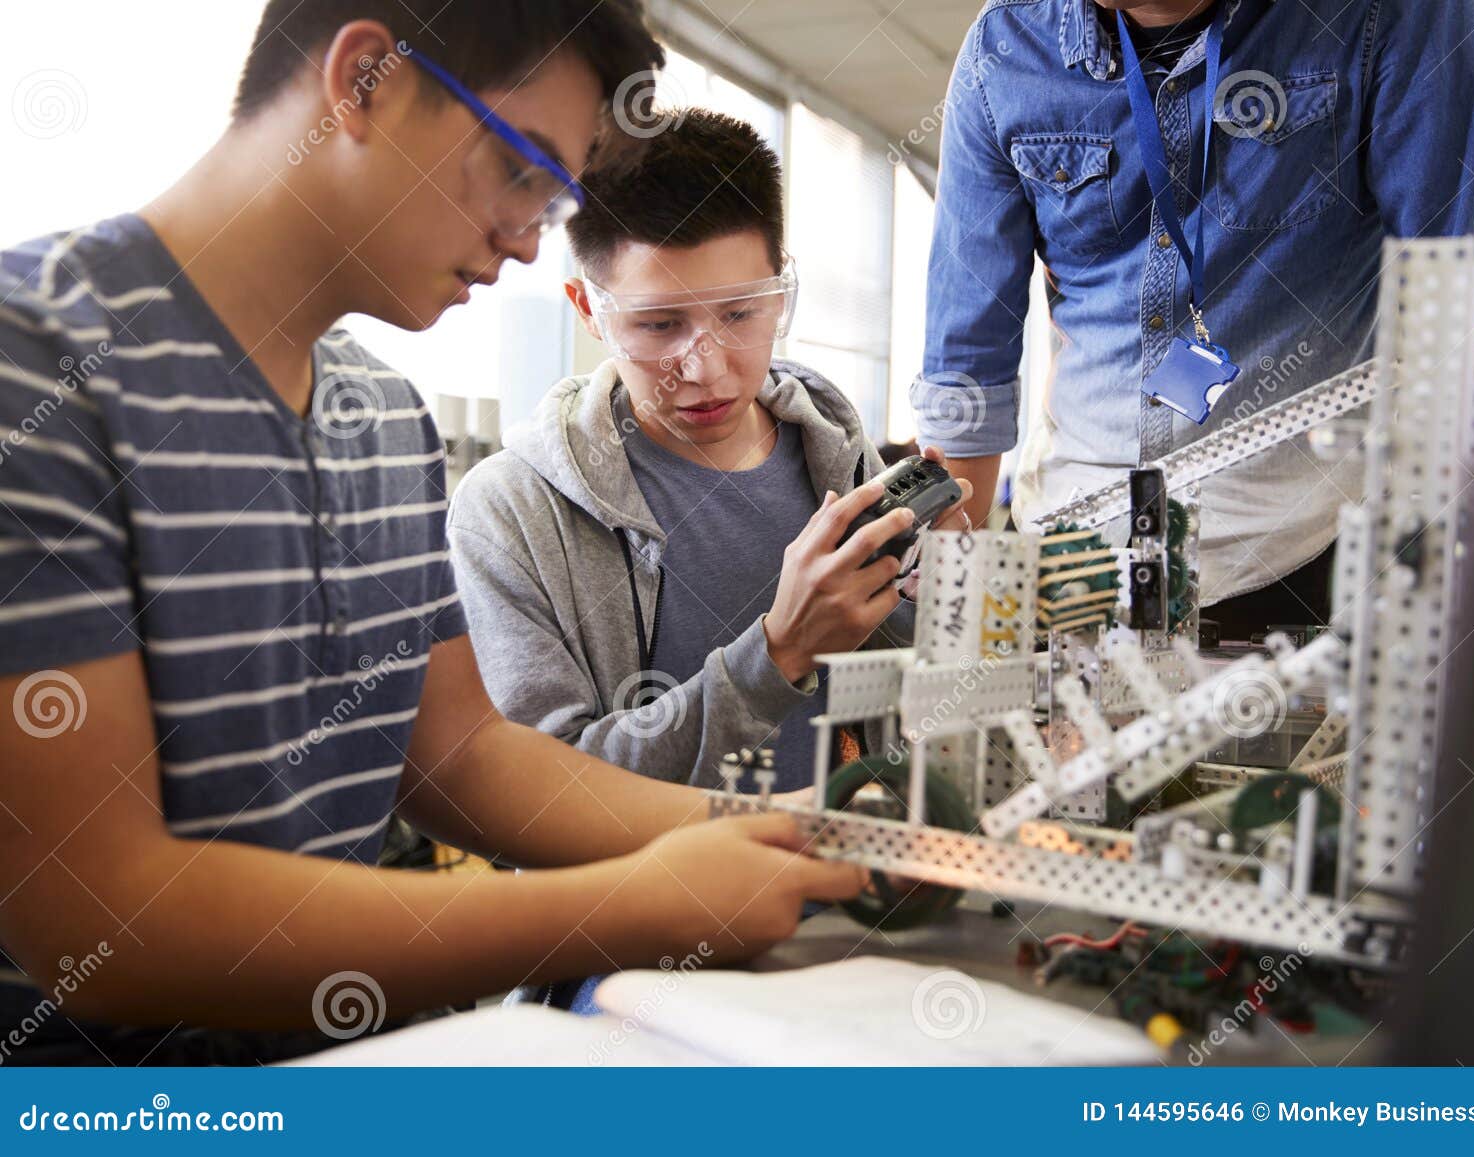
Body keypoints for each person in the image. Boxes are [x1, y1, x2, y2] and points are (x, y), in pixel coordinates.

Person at [0, 1, 865, 1066]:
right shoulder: (32, 363)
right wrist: (636, 904)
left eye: (555, 201)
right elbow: (101, 918)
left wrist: (782, 832)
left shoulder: (382, 418)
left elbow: (459, 755)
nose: (524, 234)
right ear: (363, 79)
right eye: (518, 170)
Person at [917, 0, 1474, 637]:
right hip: (1069, 568)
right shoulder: (1006, 44)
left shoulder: (1399, 14)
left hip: (1300, 563)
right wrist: (950, 626)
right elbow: (967, 368)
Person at [448, 109, 970, 793]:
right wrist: (778, 653)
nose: (708, 369)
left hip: (840, 894)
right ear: (587, 308)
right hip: (636, 903)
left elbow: (889, 714)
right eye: (660, 324)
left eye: (741, 314)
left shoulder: (836, 455)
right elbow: (533, 801)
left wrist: (945, 609)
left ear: (779, 283)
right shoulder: (509, 513)